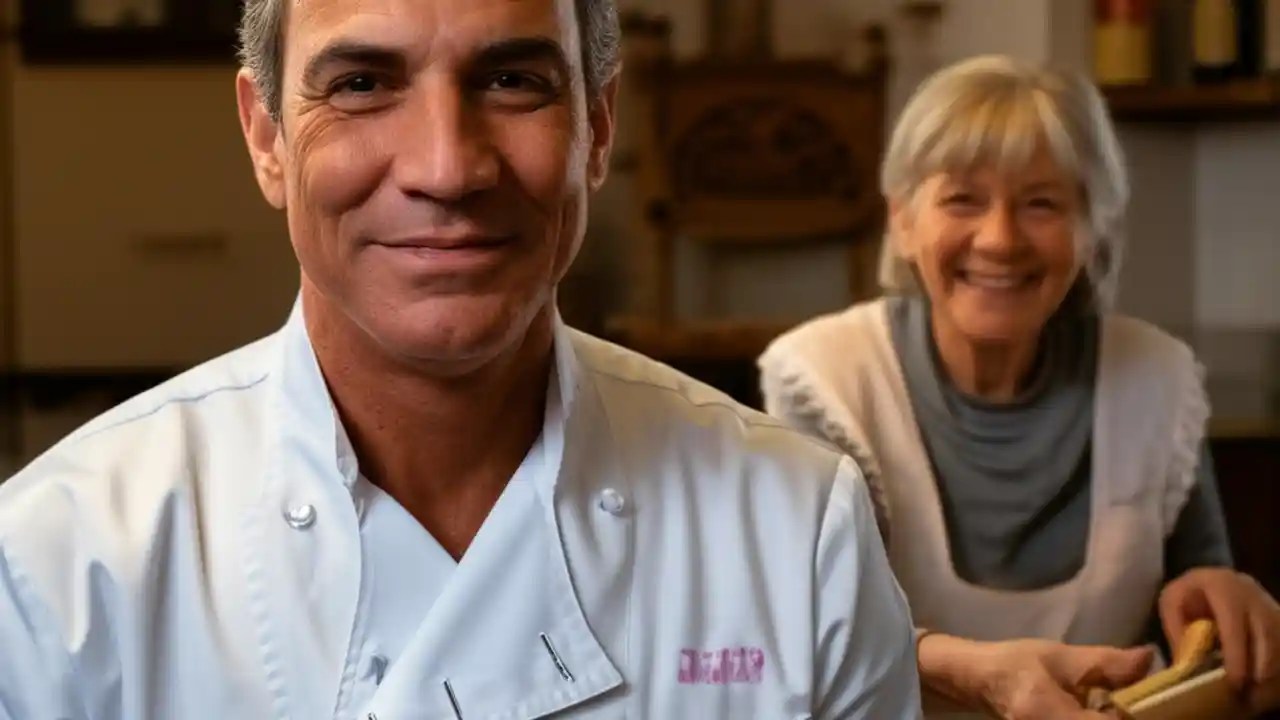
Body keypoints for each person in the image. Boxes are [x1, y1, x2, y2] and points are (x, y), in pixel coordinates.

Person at [0, 1, 923, 718]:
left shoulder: (797, 533)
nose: (447, 167)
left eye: (513, 79)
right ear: (266, 136)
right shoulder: (59, 563)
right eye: (361, 84)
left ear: (597, 129)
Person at [759, 55, 1280, 719]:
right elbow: (794, 642)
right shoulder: (826, 379)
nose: (1000, 240)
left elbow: (1198, 624)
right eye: (962, 200)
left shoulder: (1158, 377)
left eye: (1042, 203)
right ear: (903, 219)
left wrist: (1227, 618)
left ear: (1092, 229)